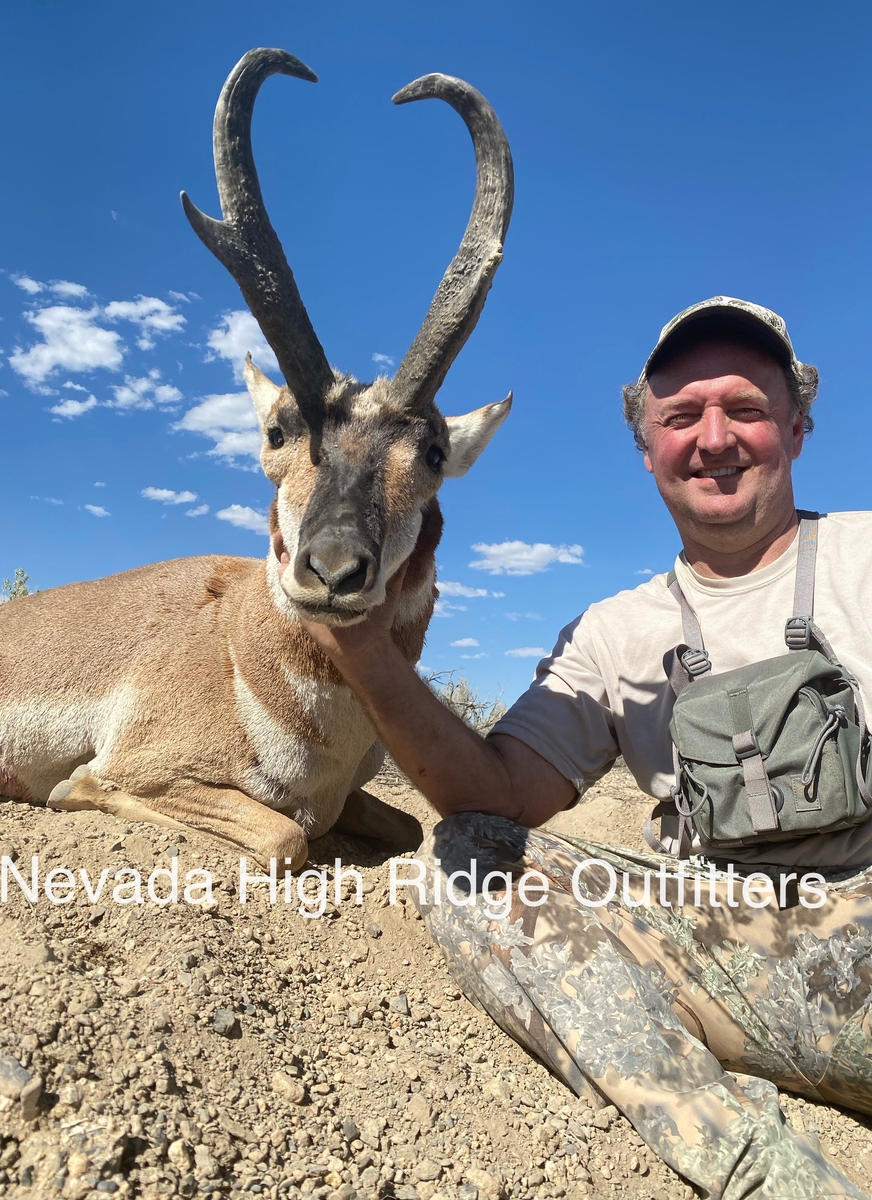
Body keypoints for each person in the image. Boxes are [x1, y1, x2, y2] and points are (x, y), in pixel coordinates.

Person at [281, 297, 872, 1200]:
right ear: (647, 446)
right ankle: (772, 1177)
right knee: (470, 859)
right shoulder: (611, 632)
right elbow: (497, 798)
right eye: (682, 416)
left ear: (797, 426)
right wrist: (365, 648)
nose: (714, 438)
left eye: (746, 409)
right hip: (735, 949)